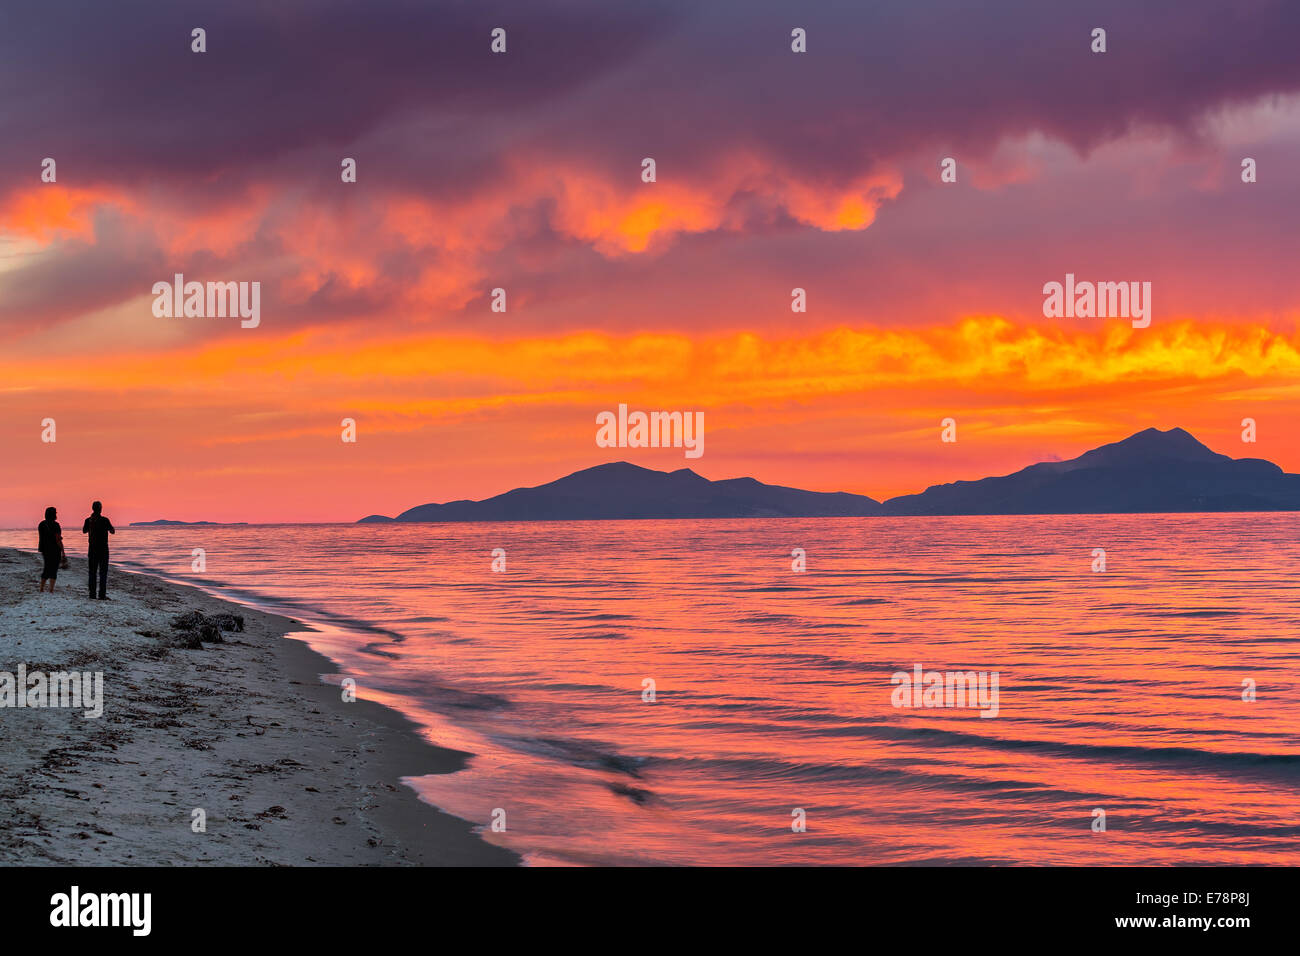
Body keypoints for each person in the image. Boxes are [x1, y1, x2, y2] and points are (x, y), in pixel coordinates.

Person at [82, 500, 115, 600]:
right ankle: (102, 595)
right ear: (100, 509)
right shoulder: (105, 520)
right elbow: (112, 531)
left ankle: (92, 594)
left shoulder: (88, 520)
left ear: (93, 509)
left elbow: (84, 531)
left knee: (92, 572)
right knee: (103, 572)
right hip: (103, 549)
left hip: (92, 549)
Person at [37, 506, 63, 592]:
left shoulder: (41, 524)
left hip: (44, 549)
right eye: (55, 513)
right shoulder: (56, 525)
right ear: (53, 515)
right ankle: (51, 589)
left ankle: (41, 588)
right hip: (55, 549)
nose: (56, 514)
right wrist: (63, 551)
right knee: (54, 568)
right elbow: (58, 539)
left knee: (47, 567)